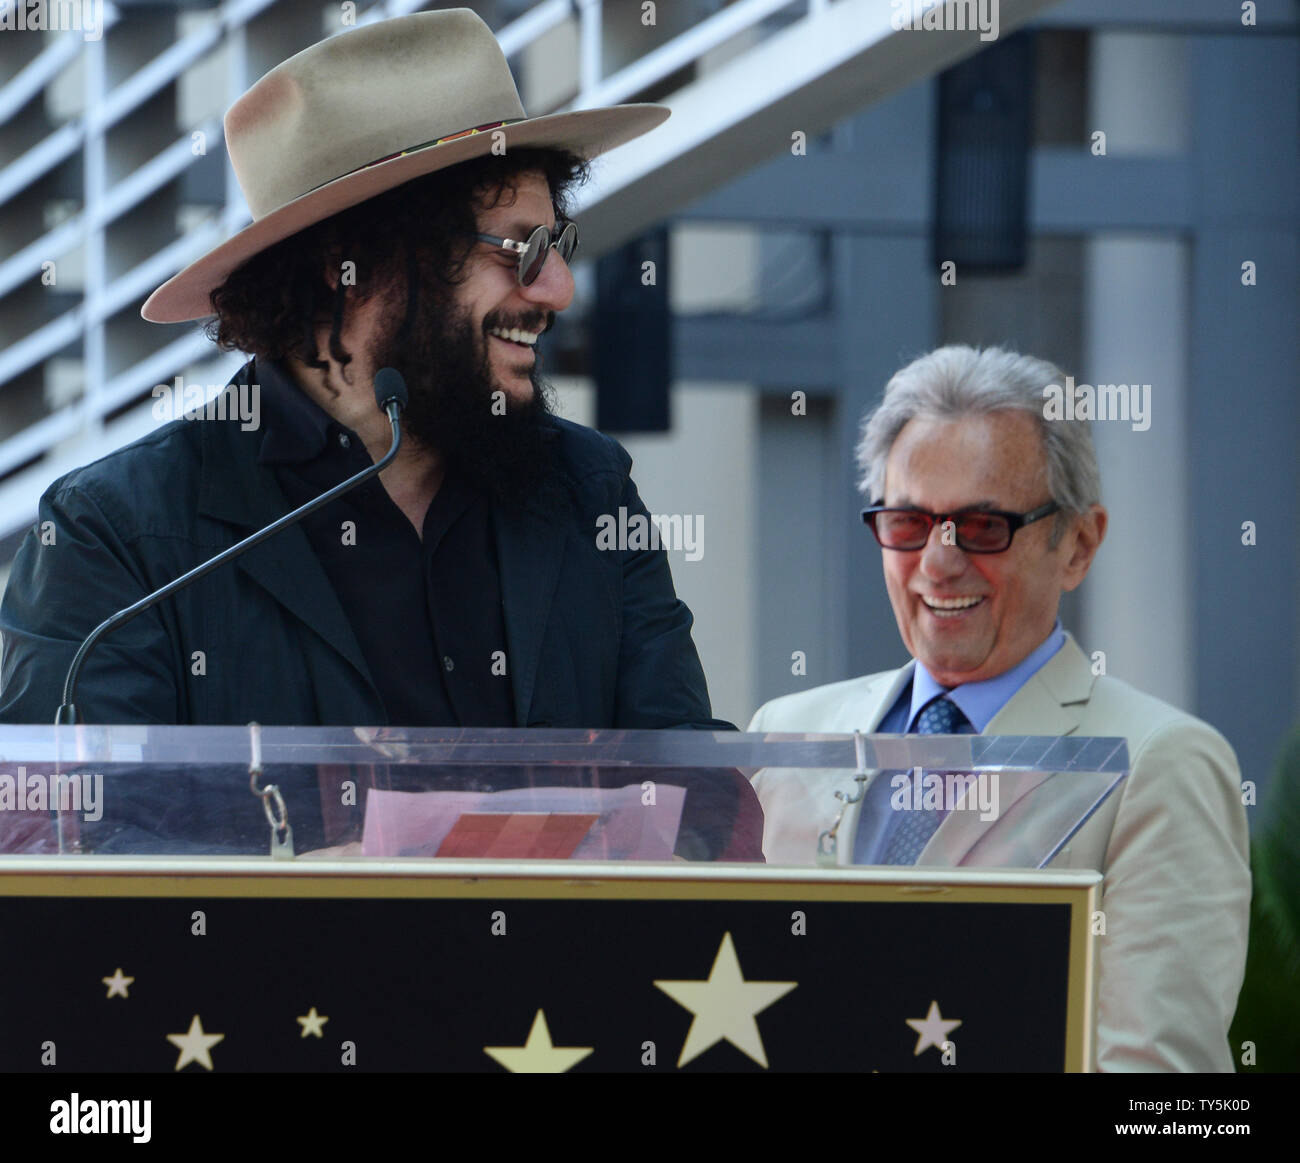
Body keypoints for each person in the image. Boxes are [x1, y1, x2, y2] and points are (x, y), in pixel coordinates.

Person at [0, 9, 729, 734]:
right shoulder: (118, 535)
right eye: (518, 249)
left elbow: (702, 806)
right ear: (352, 264)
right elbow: (77, 833)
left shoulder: (588, 489)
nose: (557, 289)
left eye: (555, 243)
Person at [748, 345, 1250, 1072]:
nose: (940, 561)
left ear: (1078, 544)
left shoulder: (1160, 762)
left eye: (983, 526)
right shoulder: (785, 735)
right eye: (908, 523)